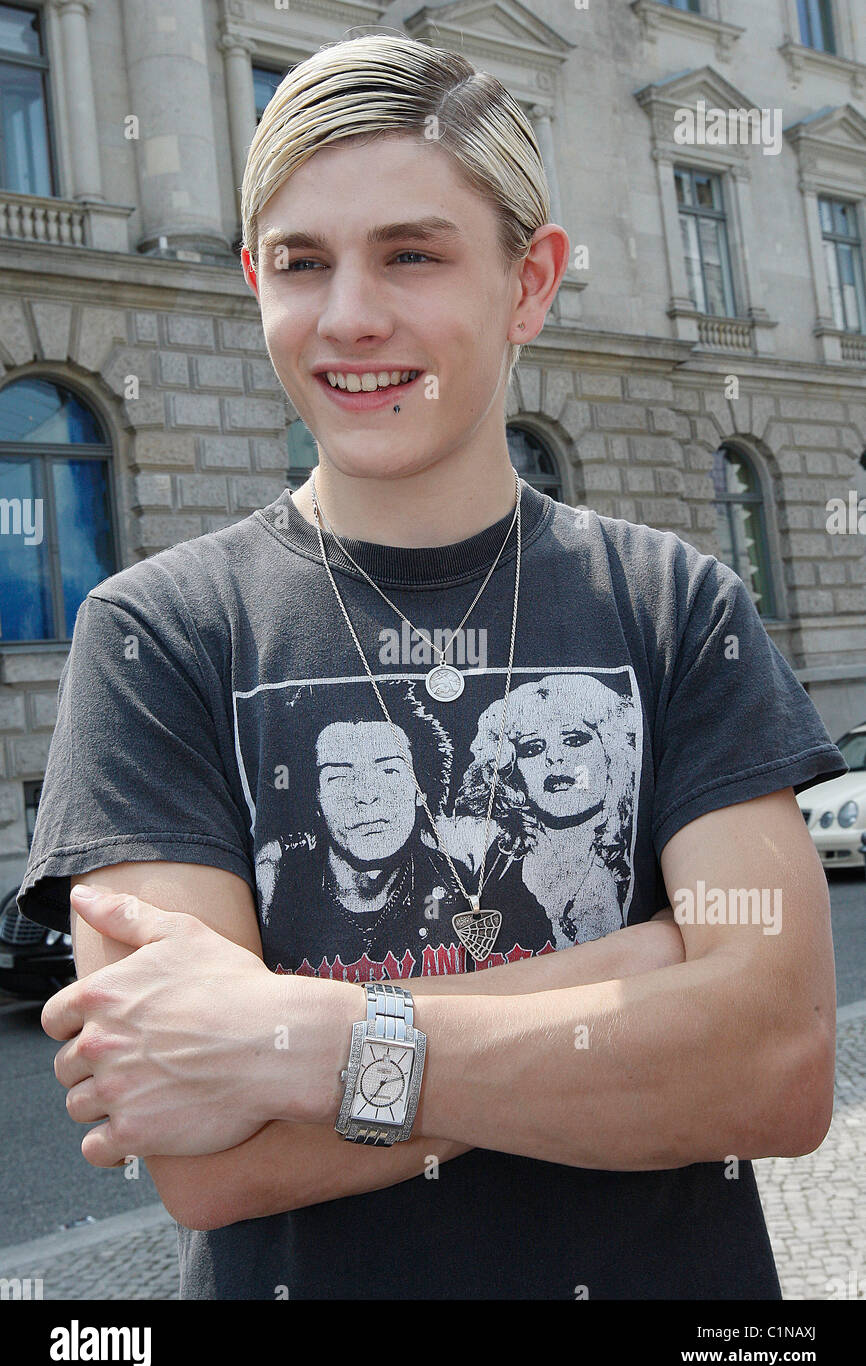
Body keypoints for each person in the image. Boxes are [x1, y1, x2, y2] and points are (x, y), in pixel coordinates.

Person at [22, 33, 847, 1300]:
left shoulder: (677, 605)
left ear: (529, 284)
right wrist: (641, 974)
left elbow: (774, 1073)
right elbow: (204, 1154)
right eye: (302, 263)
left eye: (411, 253)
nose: (351, 314)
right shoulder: (154, 635)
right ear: (255, 285)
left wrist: (302, 1038)